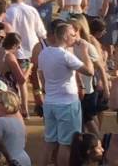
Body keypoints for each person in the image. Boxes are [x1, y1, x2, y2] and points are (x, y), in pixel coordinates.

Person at [39, 20, 94, 166]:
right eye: (72, 35)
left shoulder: (44, 53)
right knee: (67, 144)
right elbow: (90, 71)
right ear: (65, 37)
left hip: (50, 102)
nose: (75, 38)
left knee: (49, 142)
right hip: (67, 104)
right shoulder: (65, 56)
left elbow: (40, 74)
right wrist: (84, 52)